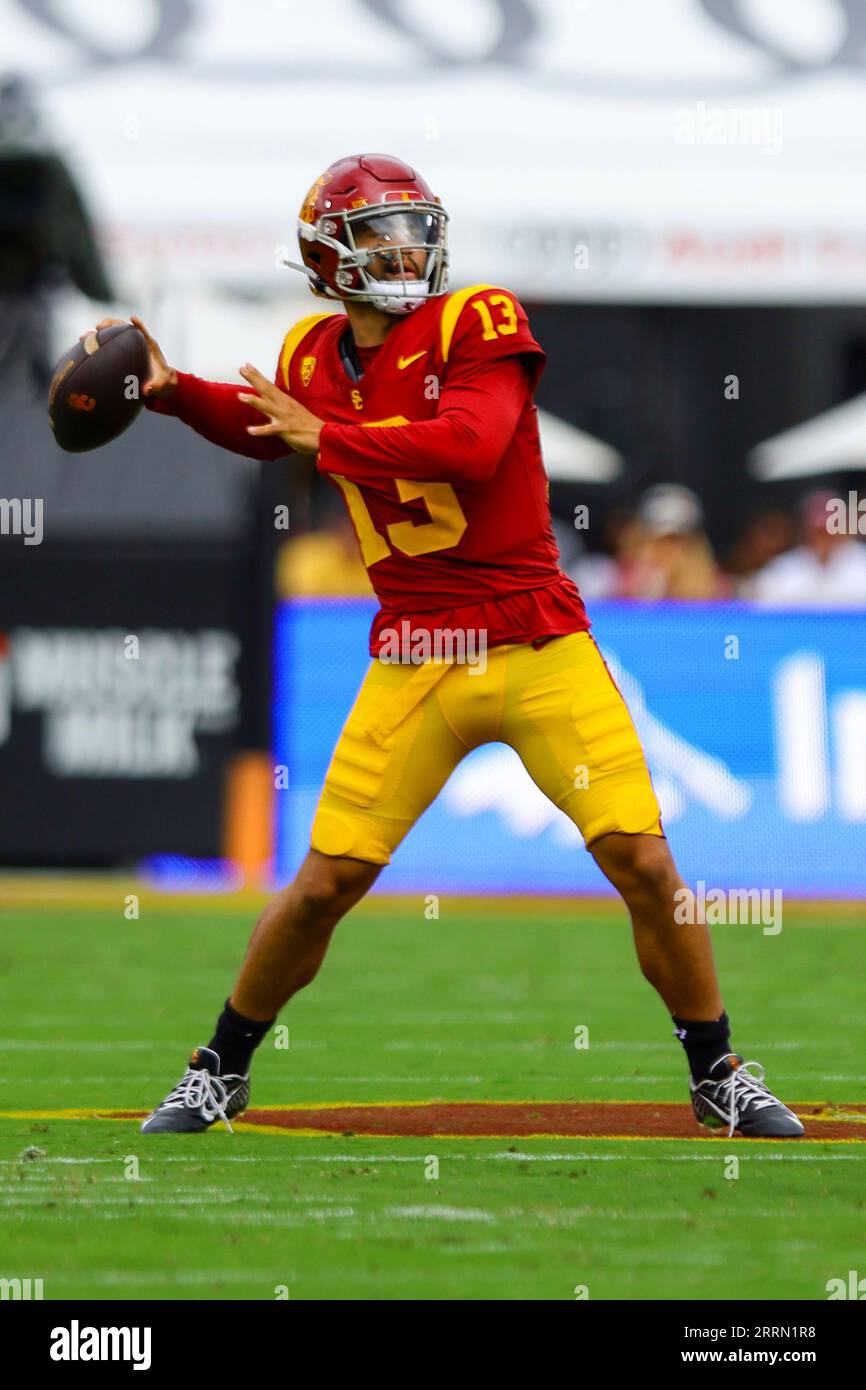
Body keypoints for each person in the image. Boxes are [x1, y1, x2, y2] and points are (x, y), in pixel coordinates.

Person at [89, 153, 802, 1139]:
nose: (404, 249)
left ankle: (716, 1068)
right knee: (323, 882)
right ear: (327, 259)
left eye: (412, 227)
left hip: (534, 640)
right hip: (415, 658)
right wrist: (171, 390)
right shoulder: (308, 357)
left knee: (643, 859)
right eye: (377, 233)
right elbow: (264, 424)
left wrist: (327, 440)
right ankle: (221, 1066)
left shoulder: (478, 321)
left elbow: (469, 442)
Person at [751, 489, 866, 607]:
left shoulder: (862, 562)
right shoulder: (782, 569)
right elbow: (762, 600)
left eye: (830, 529)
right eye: (818, 531)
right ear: (805, 529)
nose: (824, 538)